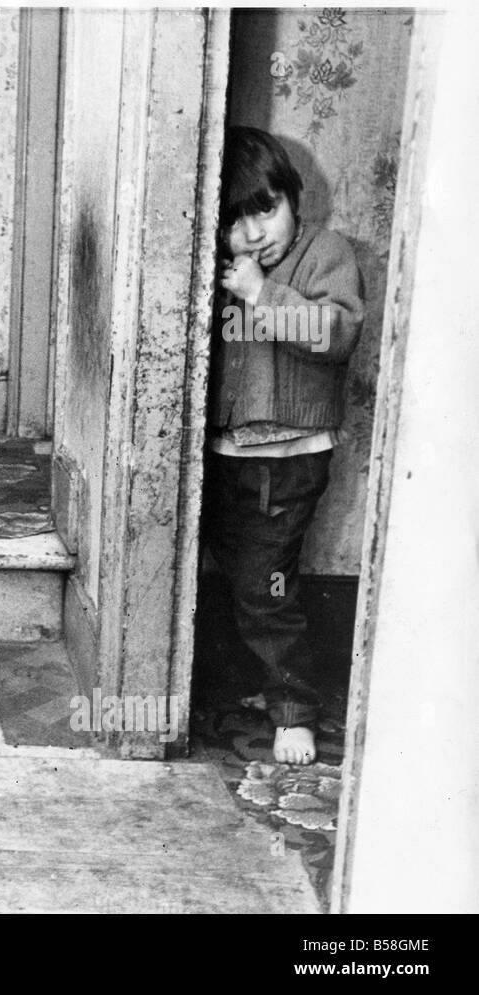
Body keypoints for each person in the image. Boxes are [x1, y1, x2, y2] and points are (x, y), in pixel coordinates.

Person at [206, 126, 364, 766]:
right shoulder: (225, 266)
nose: (253, 234)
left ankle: (296, 707)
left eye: (265, 210)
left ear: (293, 198)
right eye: (234, 221)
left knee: (266, 588)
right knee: (236, 578)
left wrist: (259, 294)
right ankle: (264, 686)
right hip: (227, 456)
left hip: (290, 459)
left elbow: (336, 333)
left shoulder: (325, 252)